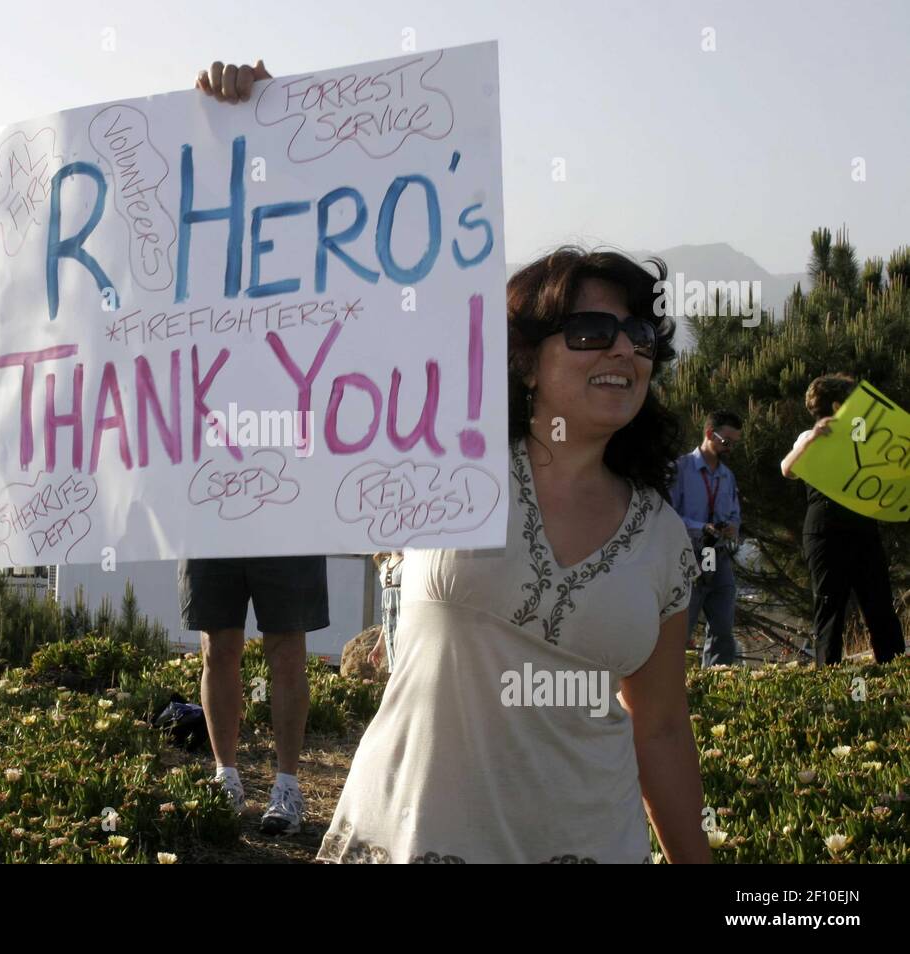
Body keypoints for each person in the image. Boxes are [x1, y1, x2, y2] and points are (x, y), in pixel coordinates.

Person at [317, 247, 710, 863]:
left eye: (638, 336)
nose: (623, 351)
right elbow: (328, 409)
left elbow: (659, 727)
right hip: (414, 839)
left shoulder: (663, 538)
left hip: (592, 845)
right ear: (525, 361)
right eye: (590, 332)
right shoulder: (442, 468)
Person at [188, 57, 323, 838]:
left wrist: (273, 101)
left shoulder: (300, 251)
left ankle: (288, 785)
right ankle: (226, 777)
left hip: (287, 482)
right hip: (202, 476)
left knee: (287, 647)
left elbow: (317, 188)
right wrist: (208, 115)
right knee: (220, 648)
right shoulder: (191, 255)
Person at [780, 373, 905, 664]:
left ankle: (894, 666)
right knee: (829, 604)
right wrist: (811, 439)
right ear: (838, 406)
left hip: (863, 529)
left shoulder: (862, 434)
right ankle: (828, 672)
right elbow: (787, 468)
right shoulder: (808, 438)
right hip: (826, 533)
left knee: (878, 603)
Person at [670, 411, 743, 666]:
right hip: (688, 556)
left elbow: (735, 514)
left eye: (735, 443)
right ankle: (670, 686)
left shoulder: (727, 476)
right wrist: (703, 527)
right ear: (710, 434)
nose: (731, 448)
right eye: (727, 442)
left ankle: (718, 680)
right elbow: (669, 515)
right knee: (681, 626)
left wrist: (732, 528)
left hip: (718, 556)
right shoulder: (681, 469)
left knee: (723, 627)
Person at [369, 552, 403, 674]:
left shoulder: (410, 563)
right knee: (395, 670)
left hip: (407, 626)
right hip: (391, 632)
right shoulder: (384, 565)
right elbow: (387, 618)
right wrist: (379, 644)